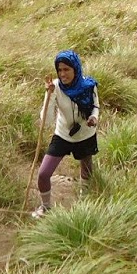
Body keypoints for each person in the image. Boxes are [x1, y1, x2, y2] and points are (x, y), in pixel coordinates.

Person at [33, 49, 99, 217]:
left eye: (67, 69)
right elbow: (46, 121)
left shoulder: (89, 86)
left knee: (86, 171)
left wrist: (93, 118)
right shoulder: (55, 87)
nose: (63, 74)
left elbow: (95, 106)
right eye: (60, 70)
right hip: (63, 134)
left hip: (85, 134)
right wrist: (48, 96)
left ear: (75, 69)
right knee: (43, 173)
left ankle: (85, 202)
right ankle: (46, 207)